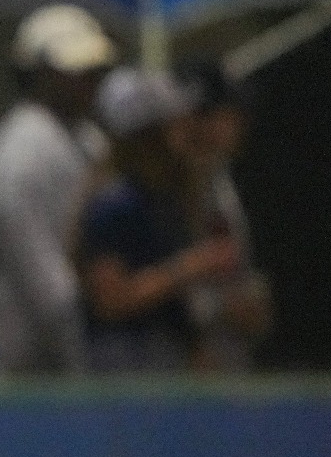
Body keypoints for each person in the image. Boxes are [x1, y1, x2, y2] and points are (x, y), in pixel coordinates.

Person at [0, 4, 116, 374]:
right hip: (35, 358)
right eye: (75, 72)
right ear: (38, 75)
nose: (89, 81)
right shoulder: (20, 151)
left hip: (89, 341)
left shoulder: (88, 139)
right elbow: (42, 280)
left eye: (93, 71)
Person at [78, 68, 244, 372]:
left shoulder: (164, 199)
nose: (185, 134)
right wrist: (192, 266)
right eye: (174, 125)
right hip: (126, 366)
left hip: (163, 363)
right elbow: (110, 300)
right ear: (149, 137)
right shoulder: (115, 205)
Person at [173, 61, 272, 370]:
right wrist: (218, 308)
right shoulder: (172, 188)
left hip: (228, 355)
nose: (239, 122)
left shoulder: (218, 177)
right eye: (229, 112)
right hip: (181, 361)